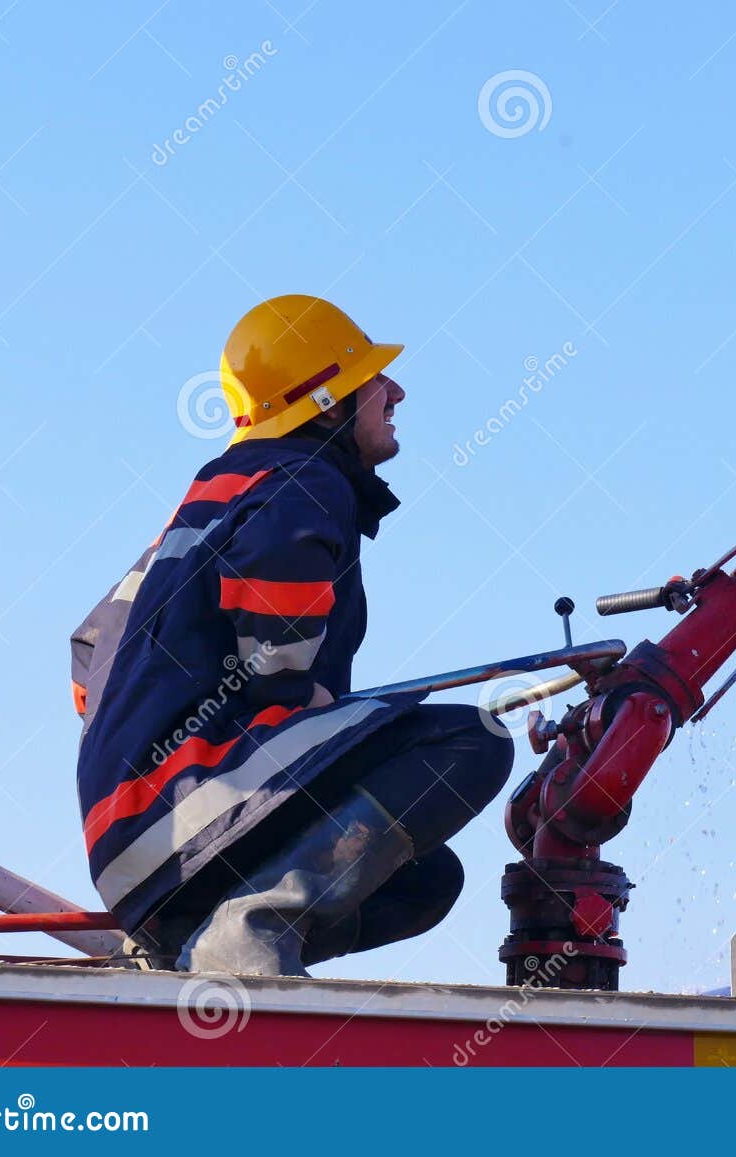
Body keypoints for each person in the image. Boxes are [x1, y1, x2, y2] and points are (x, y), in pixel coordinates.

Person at [69, 294, 513, 977]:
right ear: (328, 401)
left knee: (427, 879)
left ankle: (189, 939)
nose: (395, 390)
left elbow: (87, 651)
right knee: (471, 741)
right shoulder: (305, 478)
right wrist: (292, 697)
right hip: (187, 804)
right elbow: (277, 636)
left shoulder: (213, 498)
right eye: (373, 378)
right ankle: (250, 931)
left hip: (134, 843)